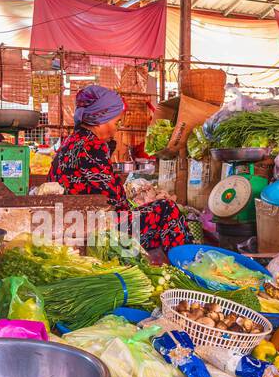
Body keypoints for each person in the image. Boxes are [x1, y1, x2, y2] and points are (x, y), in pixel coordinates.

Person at [47, 84, 190, 254]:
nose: (116, 127)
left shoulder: (70, 141)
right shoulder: (91, 146)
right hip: (92, 225)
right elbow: (115, 199)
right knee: (167, 208)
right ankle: (184, 264)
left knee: (153, 215)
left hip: (71, 218)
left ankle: (164, 258)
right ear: (101, 119)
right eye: (116, 121)